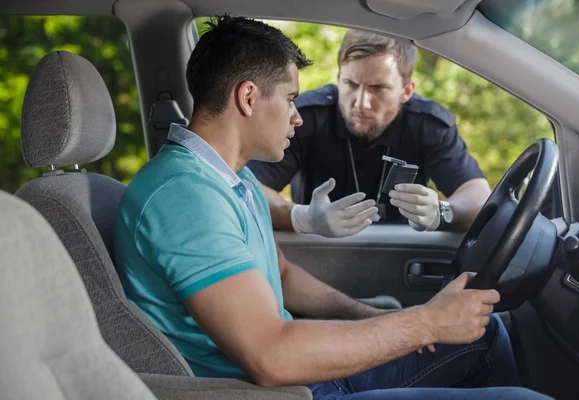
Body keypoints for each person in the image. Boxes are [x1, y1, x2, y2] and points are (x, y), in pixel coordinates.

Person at [113, 15, 550, 400]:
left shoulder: (229, 176)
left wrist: (374, 317)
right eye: (289, 98)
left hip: (307, 376)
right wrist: (426, 324)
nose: (297, 116)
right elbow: (272, 357)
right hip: (291, 390)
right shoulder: (185, 196)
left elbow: (282, 276)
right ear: (248, 98)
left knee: (486, 334)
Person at [247, 30, 492, 237]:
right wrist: (301, 218)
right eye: (351, 84)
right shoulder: (306, 118)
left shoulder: (428, 125)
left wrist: (443, 212)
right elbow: (251, 189)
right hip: (321, 253)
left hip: (400, 259)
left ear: (406, 91)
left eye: (378, 88)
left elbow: (479, 197)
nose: (361, 102)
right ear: (339, 78)